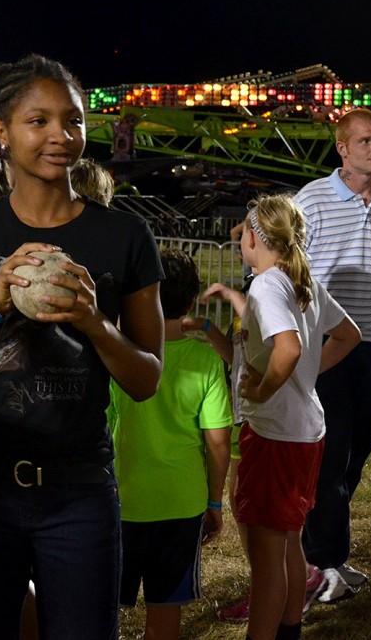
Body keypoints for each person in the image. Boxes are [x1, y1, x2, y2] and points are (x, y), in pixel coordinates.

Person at [0, 53, 165, 640]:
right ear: (2, 131)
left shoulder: (123, 236)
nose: (61, 136)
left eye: (73, 120)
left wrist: (94, 321)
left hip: (80, 493)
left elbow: (146, 379)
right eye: (38, 121)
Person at [205, 194, 361, 640]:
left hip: (276, 434)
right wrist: (306, 374)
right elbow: (349, 334)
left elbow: (288, 348)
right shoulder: (298, 278)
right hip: (303, 430)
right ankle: (289, 630)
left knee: (267, 556)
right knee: (288, 541)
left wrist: (267, 386)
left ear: (251, 236)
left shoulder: (269, 284)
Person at [293, 108, 371, 603]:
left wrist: (361, 320)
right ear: (342, 148)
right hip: (325, 342)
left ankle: (319, 550)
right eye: (364, 141)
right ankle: (325, 562)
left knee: (359, 448)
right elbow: (291, 267)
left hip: (370, 343)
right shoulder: (311, 200)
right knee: (332, 452)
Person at [108, 248, 232, 640]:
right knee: (165, 610)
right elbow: (217, 442)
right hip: (182, 503)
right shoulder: (206, 360)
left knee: (101, 606)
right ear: (192, 301)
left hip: (121, 501)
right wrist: (214, 501)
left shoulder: (118, 358)